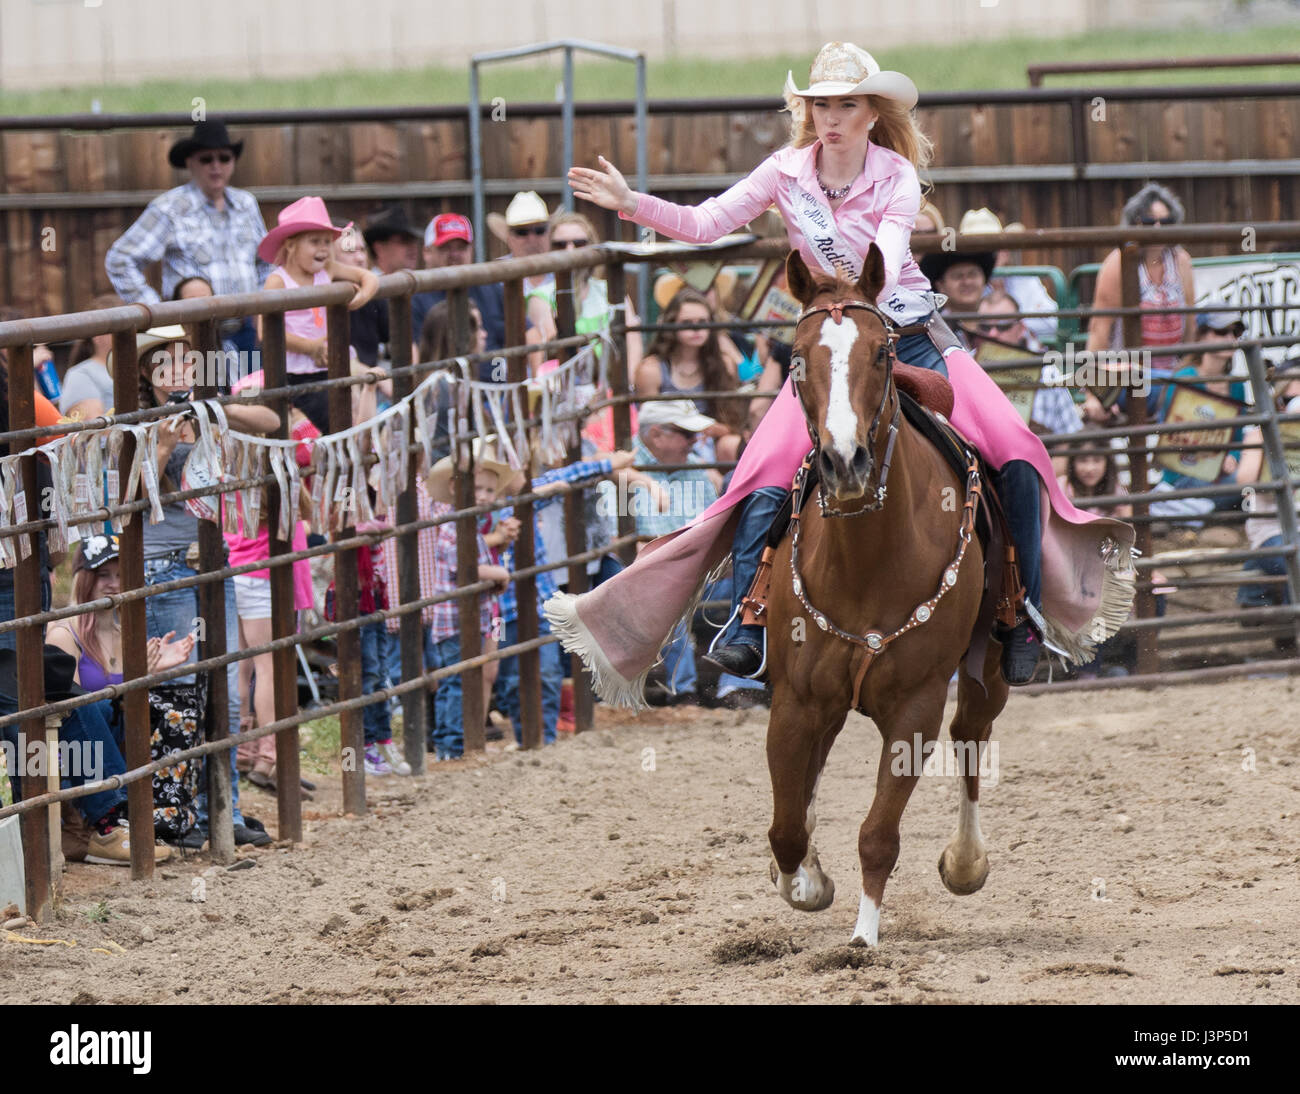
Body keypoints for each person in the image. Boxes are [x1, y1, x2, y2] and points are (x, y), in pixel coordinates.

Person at [555, 41, 1135, 695]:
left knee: (1019, 451)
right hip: (831, 343)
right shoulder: (785, 171)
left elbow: (884, 260)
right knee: (762, 473)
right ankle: (751, 620)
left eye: (845, 104)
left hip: (912, 335)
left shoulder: (896, 175)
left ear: (871, 112)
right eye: (820, 104)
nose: (830, 117)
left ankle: (1019, 612)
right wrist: (633, 203)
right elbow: (703, 222)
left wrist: (853, 309)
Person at [135, 325, 280, 848]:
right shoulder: (138, 425)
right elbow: (130, 498)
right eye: (164, 365)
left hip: (211, 566)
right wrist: (164, 442)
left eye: (185, 363)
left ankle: (226, 810)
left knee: (227, 693)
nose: (177, 374)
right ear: (146, 376)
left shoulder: (212, 415)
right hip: (166, 568)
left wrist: (211, 409)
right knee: (179, 696)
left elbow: (270, 420)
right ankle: (179, 818)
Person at [43, 534, 200, 841]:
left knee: (176, 707)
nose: (113, 584)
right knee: (89, 704)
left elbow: (130, 705)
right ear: (83, 578)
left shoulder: (127, 634)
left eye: (119, 576)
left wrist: (149, 674)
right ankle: (116, 813)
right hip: (73, 756)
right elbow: (70, 715)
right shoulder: (64, 634)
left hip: (112, 750)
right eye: (103, 575)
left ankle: (170, 810)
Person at [632, 400, 766, 709]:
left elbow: (715, 532)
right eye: (686, 435)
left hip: (697, 570)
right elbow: (620, 542)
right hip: (652, 572)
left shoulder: (696, 472)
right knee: (667, 590)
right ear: (656, 434)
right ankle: (684, 692)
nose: (695, 442)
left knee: (752, 581)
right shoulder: (624, 472)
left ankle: (735, 685)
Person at [105, 120, 267, 357]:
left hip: (249, 329)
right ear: (190, 162)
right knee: (203, 393)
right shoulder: (170, 208)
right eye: (206, 159)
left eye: (224, 158)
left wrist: (263, 309)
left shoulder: (246, 203)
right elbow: (120, 259)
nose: (216, 166)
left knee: (254, 392)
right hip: (195, 331)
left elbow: (266, 261)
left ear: (233, 162)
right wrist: (158, 313)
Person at [255, 196, 379, 432]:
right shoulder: (278, 281)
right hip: (295, 373)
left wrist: (360, 298)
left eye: (326, 241)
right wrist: (310, 347)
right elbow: (265, 332)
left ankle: (345, 460)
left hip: (328, 365)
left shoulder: (328, 270)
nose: (323, 248)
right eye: (314, 241)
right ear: (291, 244)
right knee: (336, 424)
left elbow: (368, 277)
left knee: (347, 416)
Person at [423, 442, 513, 760]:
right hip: (454, 618)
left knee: (462, 678)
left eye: (490, 490)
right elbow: (464, 568)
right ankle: (450, 743)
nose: (485, 496)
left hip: (470, 616)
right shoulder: (452, 526)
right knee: (456, 681)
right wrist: (498, 572)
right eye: (477, 488)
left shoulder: (467, 525)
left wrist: (493, 576)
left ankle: (457, 740)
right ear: (454, 487)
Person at [1084, 182, 1196, 425]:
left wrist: (1186, 372)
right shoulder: (1119, 263)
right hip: (1127, 375)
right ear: (1135, 224)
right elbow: (1099, 330)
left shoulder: (1181, 261)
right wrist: (1092, 390)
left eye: (1165, 223)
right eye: (1149, 222)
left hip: (1171, 375)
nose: (1157, 229)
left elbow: (1191, 330)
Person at [635, 287, 748, 483]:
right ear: (671, 326)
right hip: (670, 440)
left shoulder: (724, 364)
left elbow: (733, 422)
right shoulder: (652, 369)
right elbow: (647, 423)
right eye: (687, 323)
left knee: (733, 444)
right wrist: (685, 432)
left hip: (709, 440)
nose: (696, 329)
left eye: (703, 322)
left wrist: (713, 430)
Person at [974, 290, 1082, 440]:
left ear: (1021, 329)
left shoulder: (1047, 372)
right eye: (985, 327)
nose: (993, 334)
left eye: (1003, 326)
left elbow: (1067, 440)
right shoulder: (965, 367)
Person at [411, 213, 513, 363]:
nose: (455, 255)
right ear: (427, 252)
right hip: (445, 382)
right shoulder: (415, 299)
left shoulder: (491, 287)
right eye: (445, 247)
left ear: (471, 250)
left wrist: (535, 376)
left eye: (461, 247)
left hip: (497, 382)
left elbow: (528, 332)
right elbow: (415, 358)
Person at [920, 239, 995, 353]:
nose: (967, 282)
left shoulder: (1000, 323)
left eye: (973, 274)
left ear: (984, 280)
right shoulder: (931, 330)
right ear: (940, 285)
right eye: (957, 276)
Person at [61, 293, 124, 420]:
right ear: (97, 335)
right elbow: (94, 431)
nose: (126, 333)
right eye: (118, 327)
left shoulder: (141, 366)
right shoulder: (81, 375)